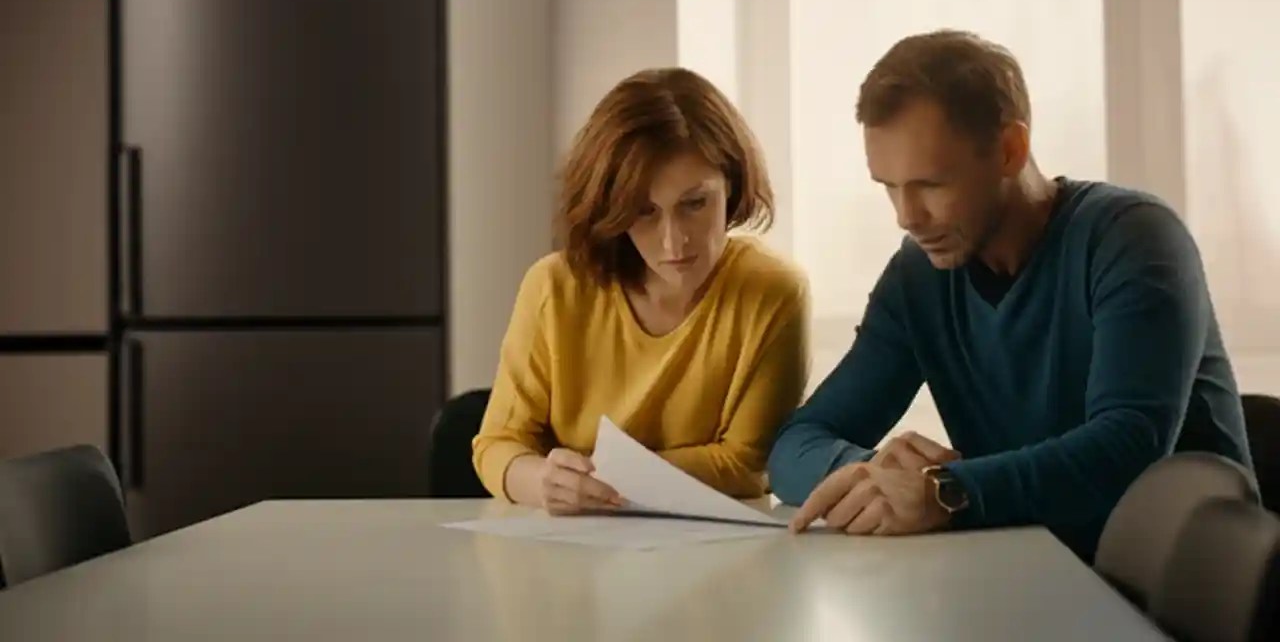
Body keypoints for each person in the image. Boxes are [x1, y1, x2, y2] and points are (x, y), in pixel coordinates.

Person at [767, 30, 1252, 560]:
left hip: (1179, 581)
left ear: (1010, 150)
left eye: (931, 185)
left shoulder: (1133, 238)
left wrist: (944, 492)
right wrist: (870, 476)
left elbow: (1127, 446)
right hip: (1030, 569)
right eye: (889, 186)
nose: (906, 217)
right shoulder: (919, 276)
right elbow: (797, 444)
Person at [473, 67, 809, 514]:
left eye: (695, 203)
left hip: (718, 547)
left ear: (732, 184)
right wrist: (544, 483)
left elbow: (748, 463)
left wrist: (606, 480)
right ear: (610, 208)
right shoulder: (554, 288)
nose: (675, 242)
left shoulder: (773, 292)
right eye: (644, 211)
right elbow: (498, 445)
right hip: (570, 541)